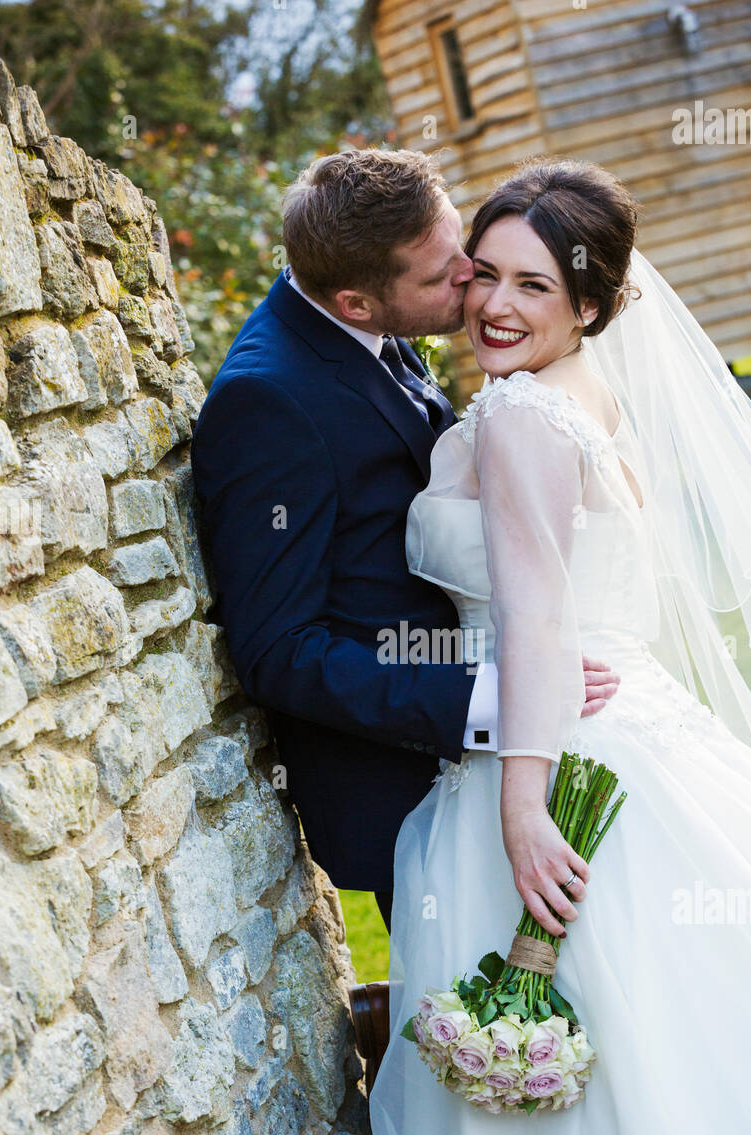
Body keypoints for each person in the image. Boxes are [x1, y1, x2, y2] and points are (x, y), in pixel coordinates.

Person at [368, 159, 751, 1135]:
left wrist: (522, 803)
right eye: (483, 274)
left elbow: (538, 619)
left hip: (558, 752)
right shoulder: (581, 390)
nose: (495, 305)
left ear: (589, 304)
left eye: (533, 287)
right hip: (626, 716)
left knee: (622, 1042)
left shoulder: (522, 417)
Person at [190, 150, 618, 1051]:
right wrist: (483, 699)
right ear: (358, 303)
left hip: (522, 719)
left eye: (462, 245)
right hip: (411, 770)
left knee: (585, 984)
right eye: (449, 271)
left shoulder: (373, 323)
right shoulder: (269, 402)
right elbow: (280, 648)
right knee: (491, 1018)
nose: (474, 279)